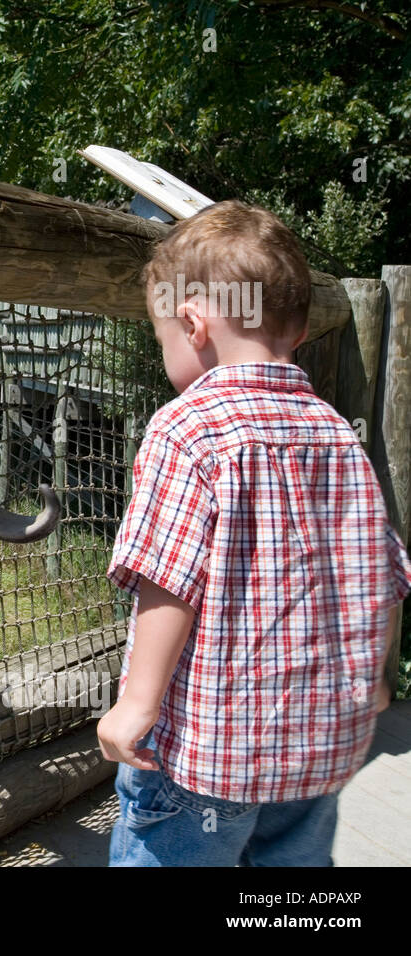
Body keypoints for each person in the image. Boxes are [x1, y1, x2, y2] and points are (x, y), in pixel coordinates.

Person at [96, 199, 411, 866]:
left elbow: (168, 580)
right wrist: (377, 677)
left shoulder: (188, 429)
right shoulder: (336, 434)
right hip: (319, 744)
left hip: (210, 754)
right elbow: (380, 573)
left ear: (192, 322)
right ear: (295, 331)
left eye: (163, 342)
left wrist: (137, 703)